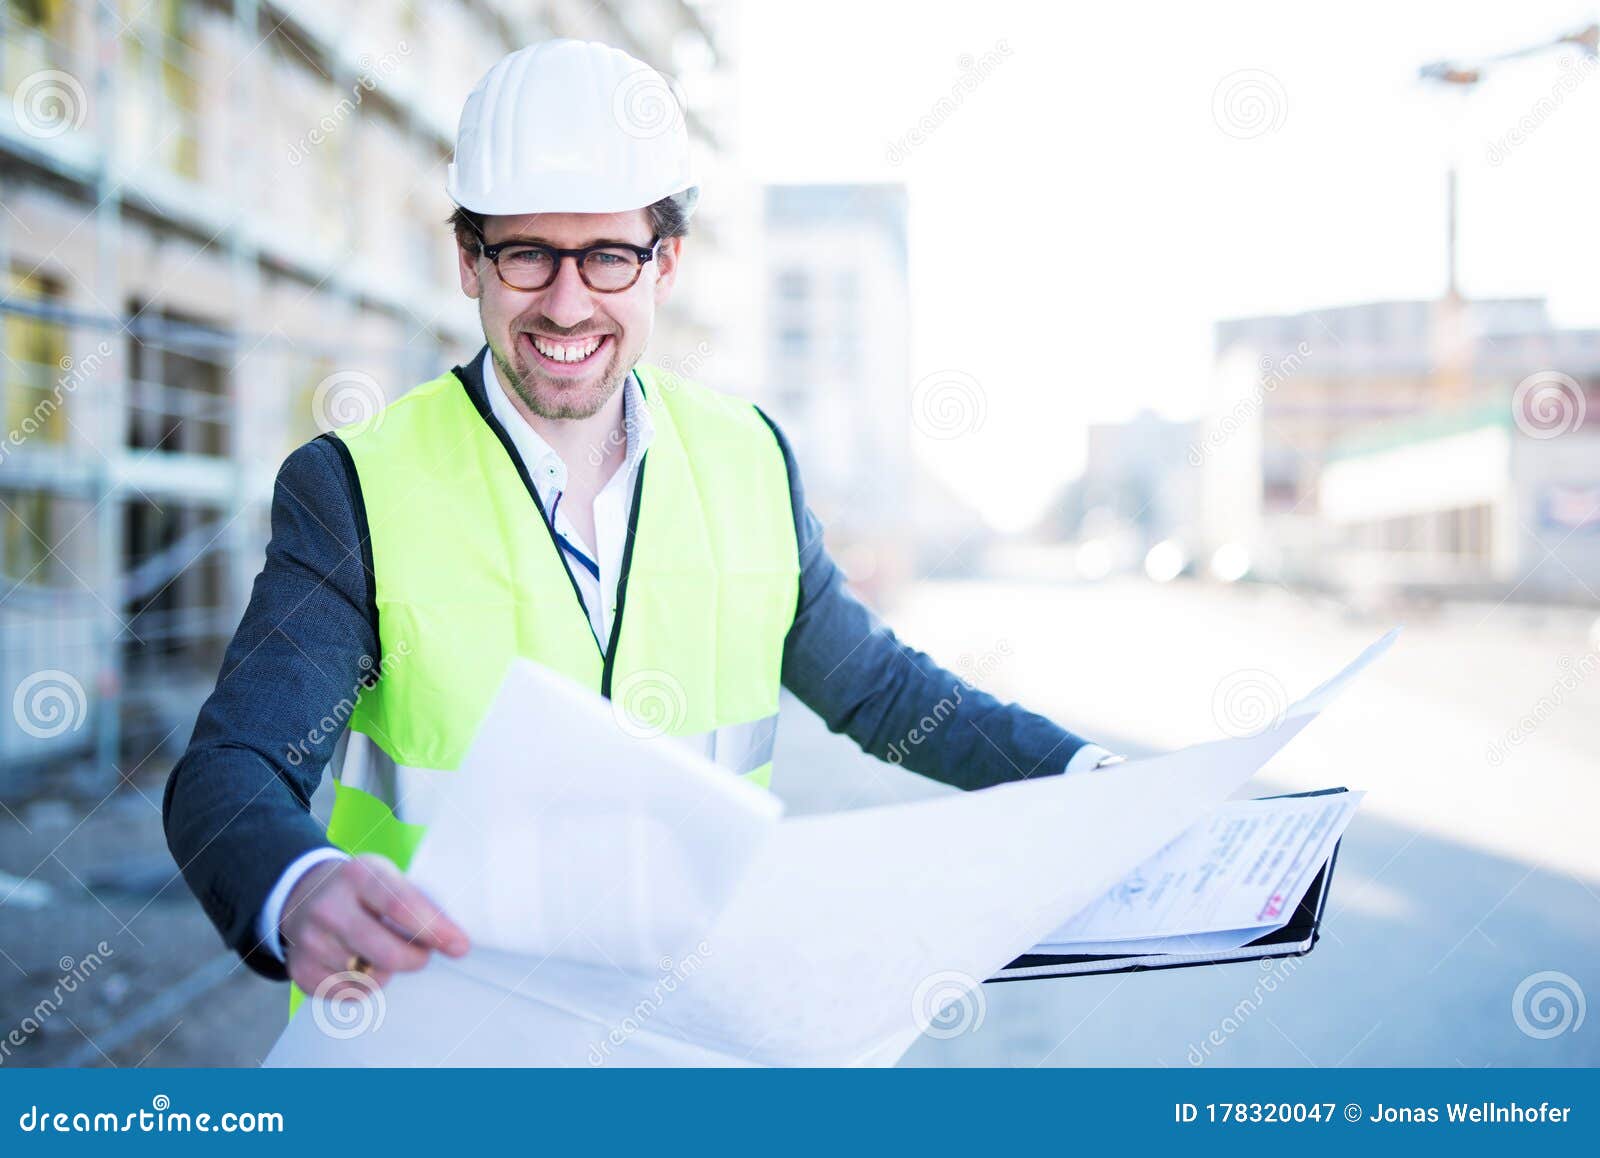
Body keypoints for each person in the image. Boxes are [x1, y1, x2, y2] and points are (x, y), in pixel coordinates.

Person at [162, 38, 1119, 1009]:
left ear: (666, 264)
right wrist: (301, 886)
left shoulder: (749, 459)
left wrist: (1091, 780)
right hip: (440, 1038)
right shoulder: (357, 485)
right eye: (527, 254)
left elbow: (882, 692)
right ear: (469, 262)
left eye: (608, 258)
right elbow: (232, 771)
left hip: (689, 1038)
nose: (566, 304)